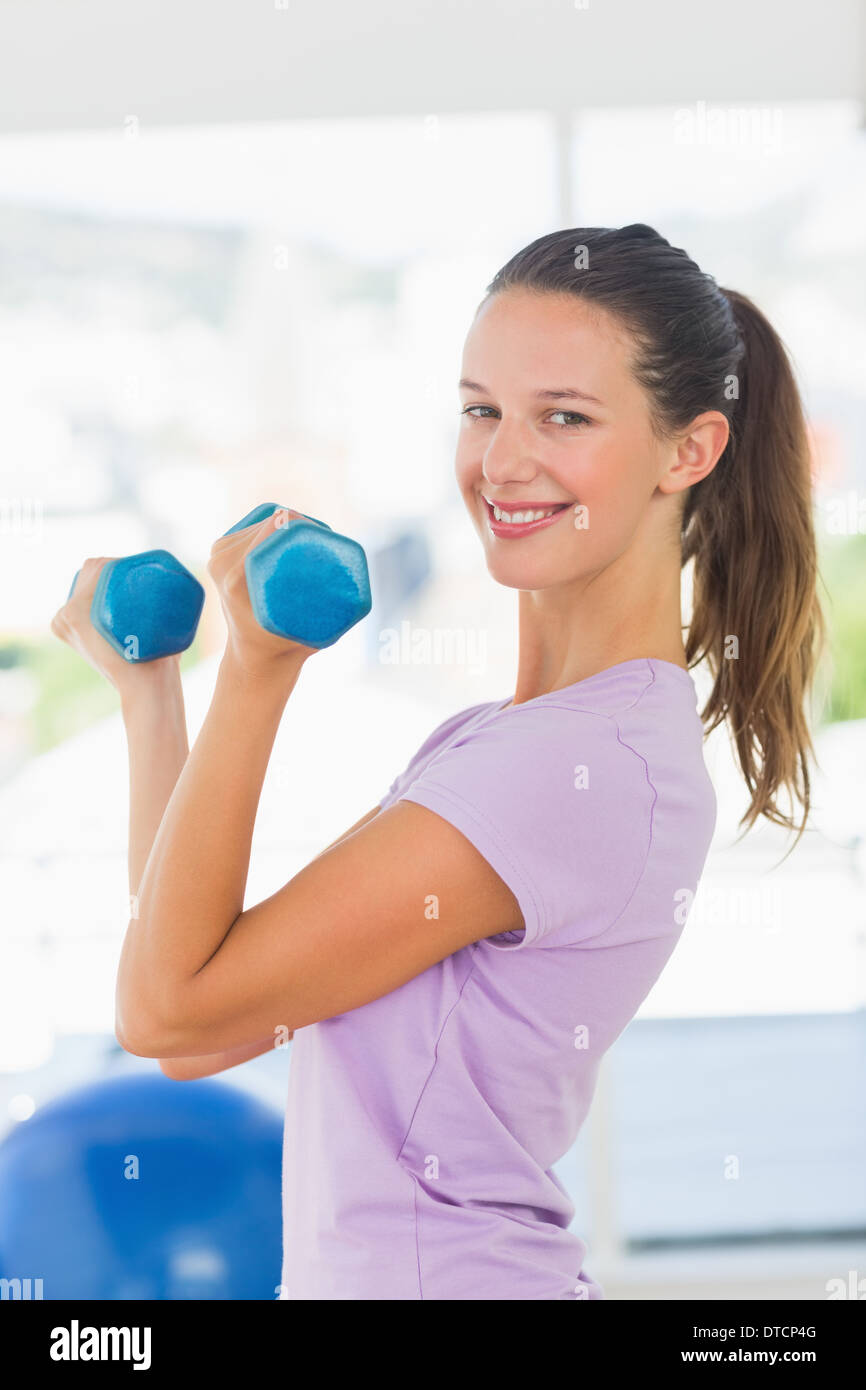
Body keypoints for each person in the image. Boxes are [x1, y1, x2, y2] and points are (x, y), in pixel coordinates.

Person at [52, 223, 826, 1301]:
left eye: (563, 415)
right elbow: (194, 1017)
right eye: (481, 410)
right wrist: (154, 693)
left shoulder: (571, 769)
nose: (502, 460)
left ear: (687, 450)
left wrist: (258, 672)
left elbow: (166, 1009)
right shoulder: (506, 742)